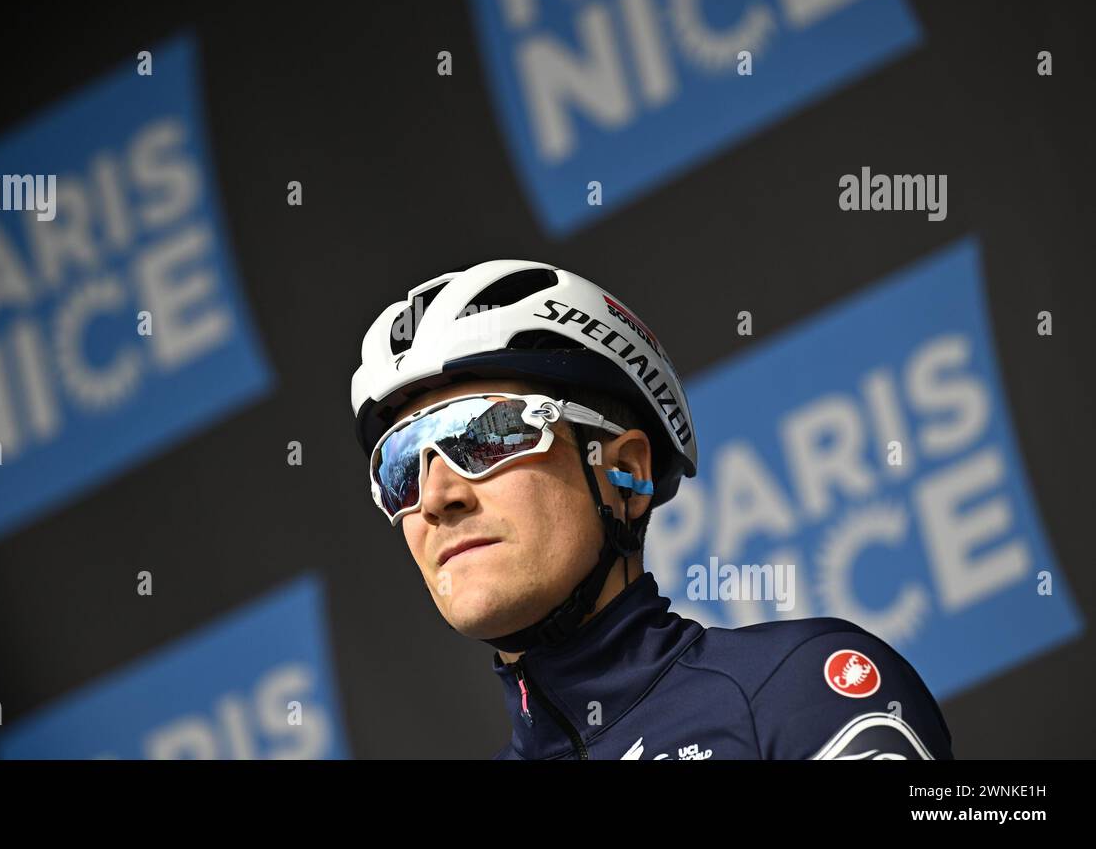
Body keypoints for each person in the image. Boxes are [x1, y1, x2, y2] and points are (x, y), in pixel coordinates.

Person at [351, 260, 954, 760]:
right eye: (401, 465)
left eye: (489, 432)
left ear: (627, 474)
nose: (435, 498)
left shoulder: (800, 690)